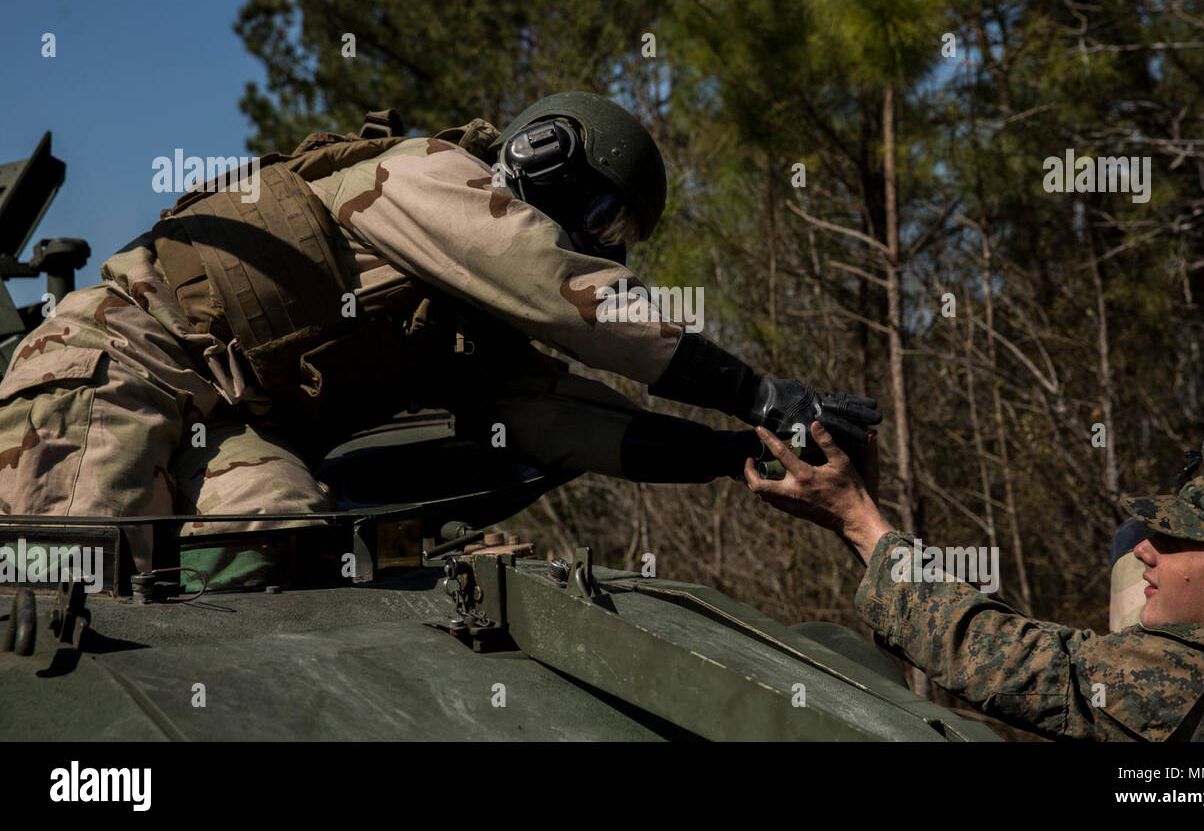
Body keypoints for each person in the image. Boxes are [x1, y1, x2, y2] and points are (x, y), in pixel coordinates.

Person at [0, 92, 880, 586]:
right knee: (69, 589)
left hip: (224, 416)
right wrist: (758, 392)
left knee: (291, 531)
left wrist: (737, 452)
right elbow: (562, 290)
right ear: (547, 156)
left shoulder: (472, 325)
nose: (603, 243)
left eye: (621, 237)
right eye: (604, 218)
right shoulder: (432, 179)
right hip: (113, 365)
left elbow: (566, 422)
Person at [744, 427, 1204, 741]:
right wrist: (865, 528)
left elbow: (1020, 662)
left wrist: (861, 522)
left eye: (1175, 542)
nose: (1146, 551)